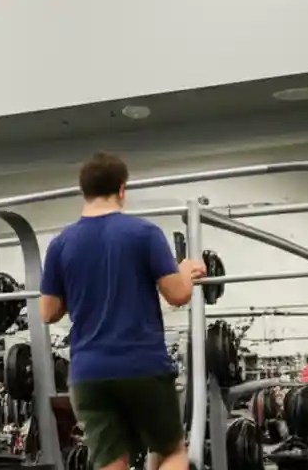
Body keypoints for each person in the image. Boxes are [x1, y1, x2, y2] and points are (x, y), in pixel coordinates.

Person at [39, 153, 207, 470]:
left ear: (83, 191)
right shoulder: (144, 233)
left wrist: (76, 287)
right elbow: (178, 294)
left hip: (89, 373)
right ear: (121, 189)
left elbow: (47, 313)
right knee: (171, 451)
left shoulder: (60, 244)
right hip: (141, 365)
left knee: (112, 463)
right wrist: (184, 269)